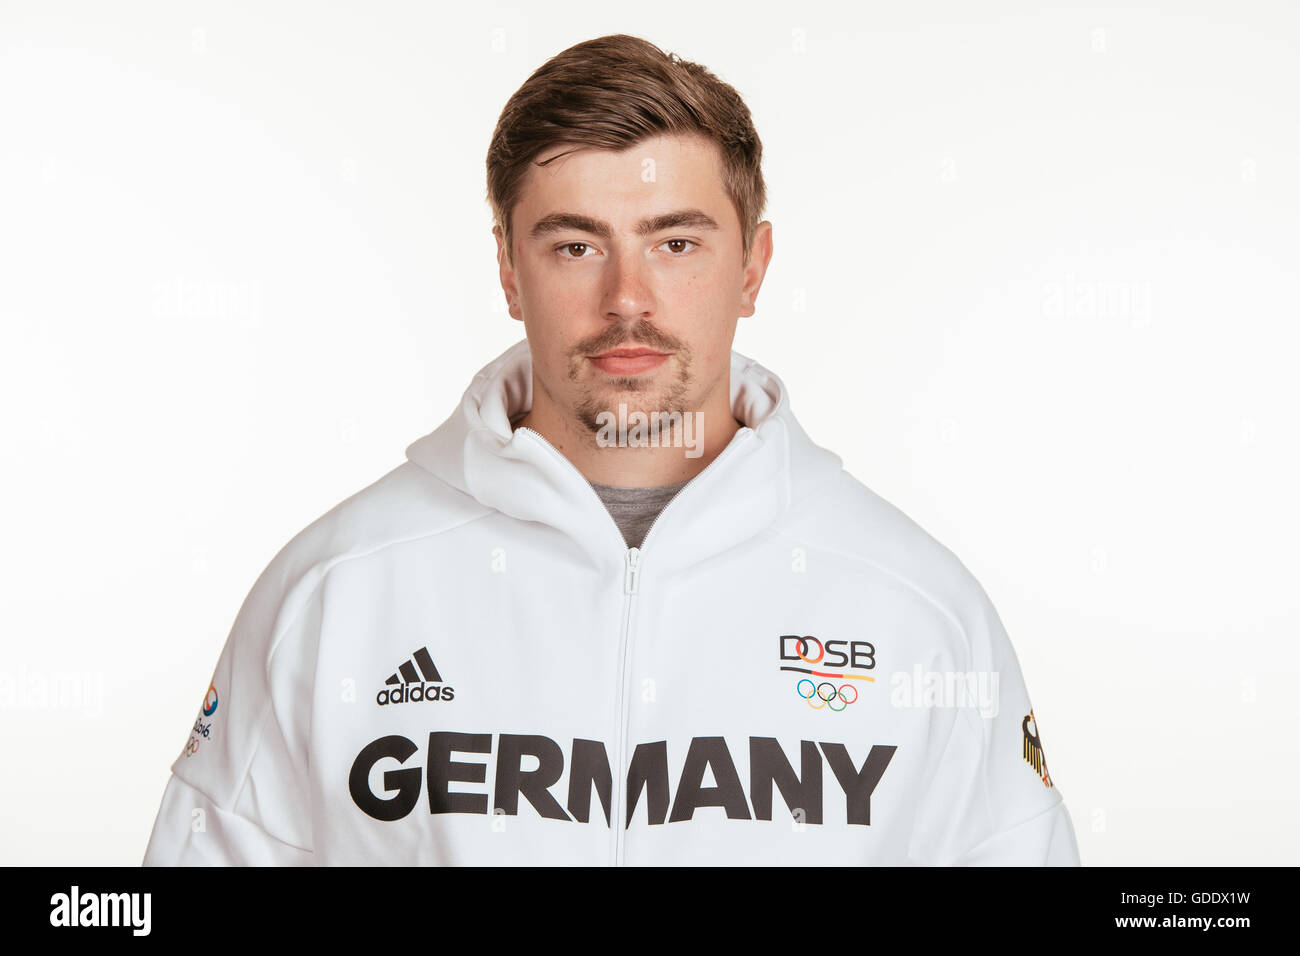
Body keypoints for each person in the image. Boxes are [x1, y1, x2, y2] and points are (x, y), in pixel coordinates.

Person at [142, 33, 1081, 866]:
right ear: (509, 269)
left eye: (675, 242)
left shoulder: (915, 606)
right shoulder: (338, 591)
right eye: (575, 247)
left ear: (753, 267)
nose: (628, 298)